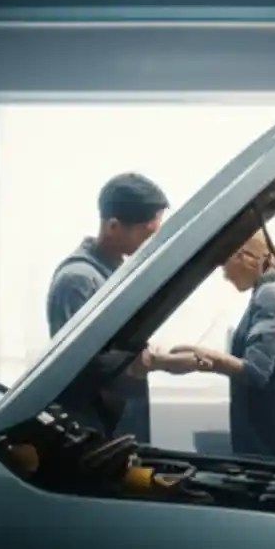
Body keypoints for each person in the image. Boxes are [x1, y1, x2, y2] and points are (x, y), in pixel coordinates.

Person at [170, 230, 275, 463]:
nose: (224, 276)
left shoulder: (270, 294)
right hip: (268, 433)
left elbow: (255, 372)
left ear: (243, 257)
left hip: (272, 440)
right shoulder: (268, 292)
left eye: (223, 264)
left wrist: (206, 356)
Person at [46, 171, 172, 445]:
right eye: (147, 232)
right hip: (96, 433)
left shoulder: (115, 273)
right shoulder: (78, 280)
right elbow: (80, 366)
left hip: (121, 427)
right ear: (113, 226)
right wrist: (154, 361)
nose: (154, 242)